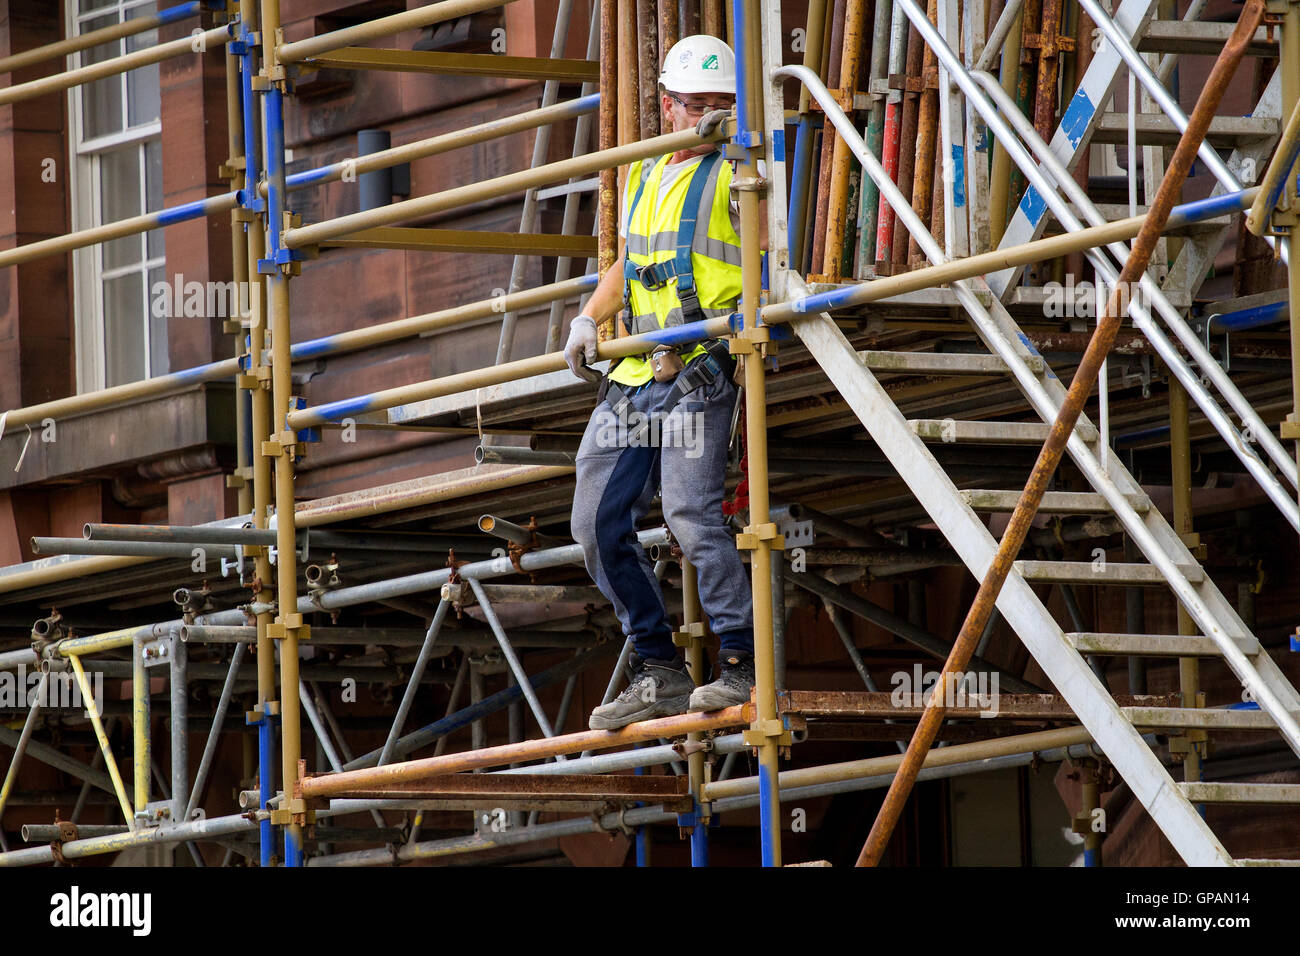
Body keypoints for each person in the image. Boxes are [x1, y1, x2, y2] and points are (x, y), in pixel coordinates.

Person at [565, 34, 764, 731]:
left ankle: (741, 659)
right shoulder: (646, 174)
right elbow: (629, 263)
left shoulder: (740, 172)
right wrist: (589, 318)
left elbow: (767, 260)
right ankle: (658, 668)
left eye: (721, 105)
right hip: (635, 374)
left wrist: (730, 325)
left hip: (699, 368)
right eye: (695, 105)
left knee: (689, 514)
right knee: (593, 523)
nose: (707, 117)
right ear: (666, 104)